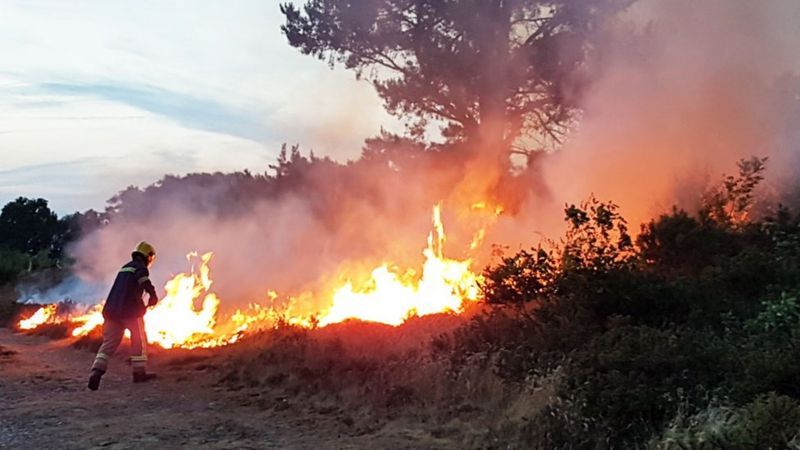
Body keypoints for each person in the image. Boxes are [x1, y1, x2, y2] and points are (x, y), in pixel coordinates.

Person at [88, 241, 160, 391]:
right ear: (148, 256)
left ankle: (96, 371)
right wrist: (153, 295)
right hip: (130, 311)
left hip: (112, 311)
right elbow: (144, 281)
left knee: (109, 344)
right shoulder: (139, 267)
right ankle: (139, 373)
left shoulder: (125, 267)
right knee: (139, 339)